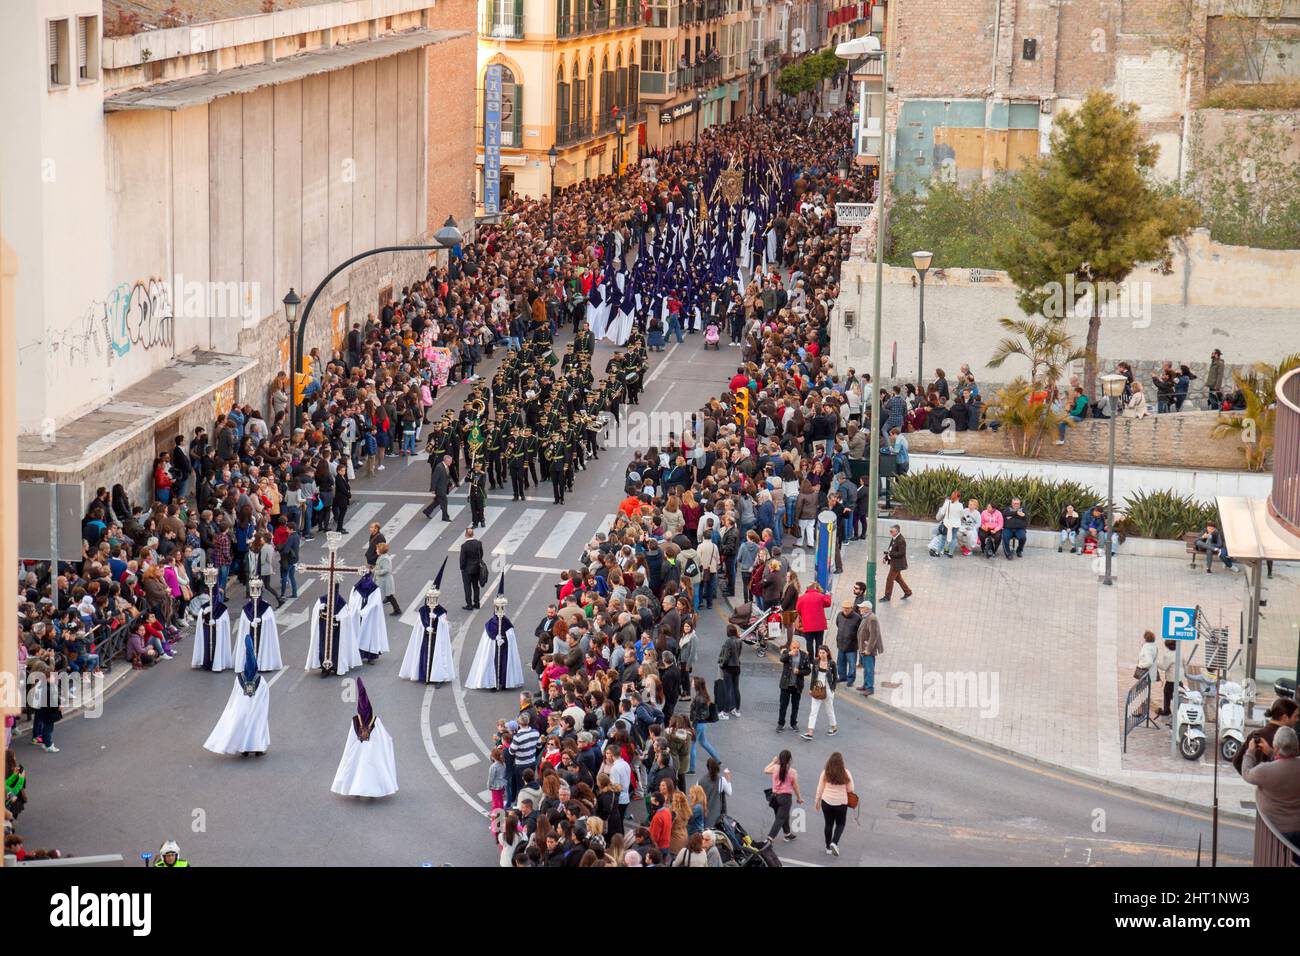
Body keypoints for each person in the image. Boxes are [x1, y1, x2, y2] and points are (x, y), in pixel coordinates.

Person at [203, 636, 272, 757]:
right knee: (257, 724)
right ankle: (258, 748)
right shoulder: (261, 681)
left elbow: (234, 696)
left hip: (242, 708)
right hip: (256, 710)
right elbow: (264, 700)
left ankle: (244, 748)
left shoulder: (239, 678)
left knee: (243, 723)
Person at [331, 678, 399, 798]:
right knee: (371, 770)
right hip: (372, 751)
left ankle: (356, 789)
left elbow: (351, 738)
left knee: (357, 769)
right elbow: (382, 737)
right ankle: (372, 791)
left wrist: (350, 752)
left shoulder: (355, 721)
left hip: (358, 751)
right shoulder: (376, 720)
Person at [1241, 727, 1300, 853]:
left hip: (1277, 833)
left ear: (1277, 747)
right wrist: (1271, 753)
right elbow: (1286, 762)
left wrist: (1250, 752)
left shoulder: (1265, 771)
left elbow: (1246, 773)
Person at [399, 558, 455, 684]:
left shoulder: (441, 611)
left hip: (437, 638)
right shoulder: (423, 610)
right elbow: (419, 623)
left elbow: (445, 625)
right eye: (429, 598)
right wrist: (425, 626)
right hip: (425, 637)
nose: (431, 601)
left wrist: (438, 621)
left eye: (433, 599)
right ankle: (425, 675)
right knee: (424, 656)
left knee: (437, 656)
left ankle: (437, 676)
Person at [815, 751, 854, 857]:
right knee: (840, 824)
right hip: (841, 803)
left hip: (826, 802)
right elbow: (851, 789)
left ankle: (828, 847)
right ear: (841, 762)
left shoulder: (825, 772)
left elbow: (820, 788)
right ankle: (834, 842)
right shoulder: (846, 773)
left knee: (828, 824)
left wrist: (817, 801)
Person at [764, 750, 802, 842]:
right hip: (785, 798)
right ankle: (770, 839)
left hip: (774, 797)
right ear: (790, 760)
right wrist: (799, 798)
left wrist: (773, 761)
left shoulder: (775, 768)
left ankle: (787, 834)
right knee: (780, 818)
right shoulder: (792, 772)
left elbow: (765, 770)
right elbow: (795, 786)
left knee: (784, 815)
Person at [804, 644, 838, 739]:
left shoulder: (832, 663)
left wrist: (833, 689)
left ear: (827, 653)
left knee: (829, 709)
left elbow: (835, 677)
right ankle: (810, 732)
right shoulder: (815, 662)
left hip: (828, 689)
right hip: (817, 687)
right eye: (820, 652)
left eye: (823, 652)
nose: (821, 654)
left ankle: (834, 727)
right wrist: (811, 689)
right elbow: (813, 677)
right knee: (813, 710)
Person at [777, 637, 810, 734]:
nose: (795, 649)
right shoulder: (786, 653)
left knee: (795, 706)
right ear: (790, 647)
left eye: (797, 648)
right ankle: (781, 724)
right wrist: (788, 654)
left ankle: (793, 723)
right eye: (794, 647)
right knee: (783, 705)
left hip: (797, 685)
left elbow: (808, 670)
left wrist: (799, 671)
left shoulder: (804, 656)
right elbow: (781, 659)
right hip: (786, 684)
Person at [687, 677, 721, 773]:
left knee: (692, 745)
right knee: (703, 742)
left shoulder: (698, 698)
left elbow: (697, 714)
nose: (692, 682)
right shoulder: (703, 695)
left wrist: (692, 727)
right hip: (703, 724)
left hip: (698, 724)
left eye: (693, 681)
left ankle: (691, 768)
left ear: (697, 684)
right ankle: (717, 759)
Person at [795, 580, 832, 660]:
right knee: (819, 642)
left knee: (809, 642)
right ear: (815, 588)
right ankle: (818, 658)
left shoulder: (802, 598)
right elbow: (828, 603)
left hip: (808, 624)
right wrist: (828, 595)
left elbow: (798, 609)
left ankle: (811, 660)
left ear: (807, 588)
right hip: (820, 625)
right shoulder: (820, 596)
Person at [856, 600, 883, 696]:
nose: (860, 609)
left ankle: (870, 688)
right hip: (863, 648)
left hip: (867, 649)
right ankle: (866, 684)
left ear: (867, 609)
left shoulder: (872, 619)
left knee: (869, 668)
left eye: (862, 607)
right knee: (866, 668)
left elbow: (873, 635)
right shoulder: (866, 617)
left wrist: (868, 650)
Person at [833, 599, 859, 687]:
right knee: (840, 662)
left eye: (848, 608)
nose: (846, 610)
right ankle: (842, 676)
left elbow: (859, 632)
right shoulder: (839, 615)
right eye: (844, 608)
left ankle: (850, 679)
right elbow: (837, 624)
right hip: (841, 643)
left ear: (851, 608)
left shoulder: (857, 618)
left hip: (851, 646)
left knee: (852, 664)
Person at [881, 524, 911, 601]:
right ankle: (908, 591)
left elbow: (901, 553)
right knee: (898, 578)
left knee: (889, 579)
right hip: (894, 563)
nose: (890, 533)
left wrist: (890, 554)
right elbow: (890, 549)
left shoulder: (901, 540)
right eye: (890, 531)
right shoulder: (894, 538)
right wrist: (886, 557)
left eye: (892, 531)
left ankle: (887, 596)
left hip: (897, 564)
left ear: (897, 531)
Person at [373, 542, 402, 615]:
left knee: (388, 596)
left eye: (377, 549)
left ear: (381, 550)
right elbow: (379, 566)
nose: (376, 550)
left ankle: (397, 610)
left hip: (385, 581)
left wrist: (377, 572)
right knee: (389, 596)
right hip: (383, 580)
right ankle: (397, 609)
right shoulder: (382, 557)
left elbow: (386, 569)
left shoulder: (384, 559)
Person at [460, 527, 484, 610]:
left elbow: (462, 559)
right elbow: (481, 554)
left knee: (467, 587)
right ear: (473, 534)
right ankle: (477, 603)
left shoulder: (464, 546)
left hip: (467, 570)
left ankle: (469, 604)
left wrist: (462, 568)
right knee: (475, 586)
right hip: (476, 568)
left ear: (466, 535)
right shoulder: (478, 543)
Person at [423, 453, 452, 520]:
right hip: (440, 489)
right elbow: (434, 479)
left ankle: (427, 511)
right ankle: (445, 517)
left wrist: (450, 483)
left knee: (437, 501)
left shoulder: (446, 466)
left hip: (443, 488)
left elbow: (446, 476)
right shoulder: (439, 467)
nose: (451, 462)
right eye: (450, 461)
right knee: (444, 502)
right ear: (446, 461)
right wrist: (433, 489)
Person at [934, 490, 963, 557]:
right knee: (953, 538)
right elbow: (961, 515)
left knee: (943, 538)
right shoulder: (960, 505)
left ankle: (937, 552)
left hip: (947, 524)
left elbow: (942, 512)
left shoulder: (947, 503)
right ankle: (950, 553)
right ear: (959, 497)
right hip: (956, 524)